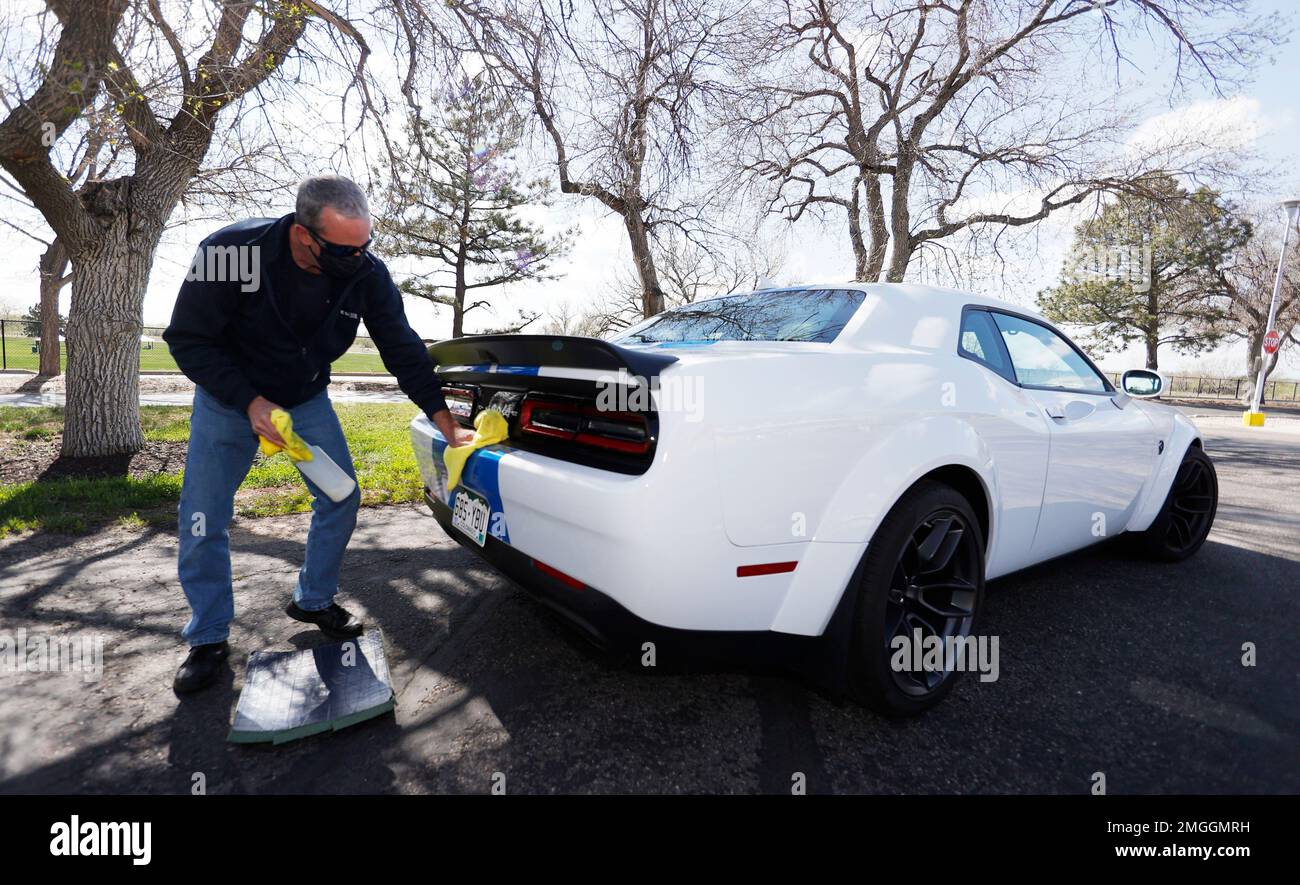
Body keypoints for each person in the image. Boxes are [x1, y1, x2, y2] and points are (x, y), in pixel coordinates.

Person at [162, 174, 472, 694]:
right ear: (305, 234)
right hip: (227, 401)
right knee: (203, 518)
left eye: (364, 246)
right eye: (343, 249)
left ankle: (313, 600)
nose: (357, 259)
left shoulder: (365, 271)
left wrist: (443, 417)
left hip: (305, 400)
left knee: (341, 497)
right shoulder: (229, 252)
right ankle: (208, 636)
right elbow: (188, 340)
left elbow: (401, 347)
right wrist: (249, 402)